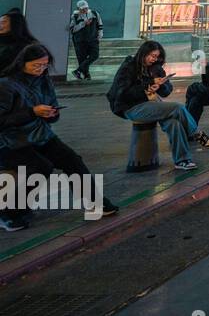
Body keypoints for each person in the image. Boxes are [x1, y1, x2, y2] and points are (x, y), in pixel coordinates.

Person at [0, 44, 119, 230]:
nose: (40, 69)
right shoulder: (7, 85)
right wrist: (32, 112)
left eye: (44, 65)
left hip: (40, 135)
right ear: (23, 63)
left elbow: (52, 107)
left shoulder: (44, 81)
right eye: (36, 65)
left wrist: (52, 114)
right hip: (11, 142)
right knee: (41, 167)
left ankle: (96, 202)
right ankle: (8, 212)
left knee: (72, 160)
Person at [108, 40, 208, 168]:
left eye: (156, 57)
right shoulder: (129, 67)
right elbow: (123, 93)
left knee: (174, 123)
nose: (154, 59)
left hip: (152, 103)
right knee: (177, 107)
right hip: (131, 107)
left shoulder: (156, 68)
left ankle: (183, 160)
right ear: (143, 53)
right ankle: (196, 133)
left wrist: (160, 86)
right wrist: (148, 84)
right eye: (152, 56)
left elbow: (167, 91)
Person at [67, 0, 103, 81]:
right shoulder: (75, 16)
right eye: (82, 9)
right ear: (78, 9)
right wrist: (83, 24)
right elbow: (72, 29)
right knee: (82, 58)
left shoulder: (94, 14)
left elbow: (100, 24)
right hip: (80, 41)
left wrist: (100, 35)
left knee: (95, 55)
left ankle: (78, 71)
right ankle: (87, 76)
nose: (84, 10)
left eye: (86, 8)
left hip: (93, 39)